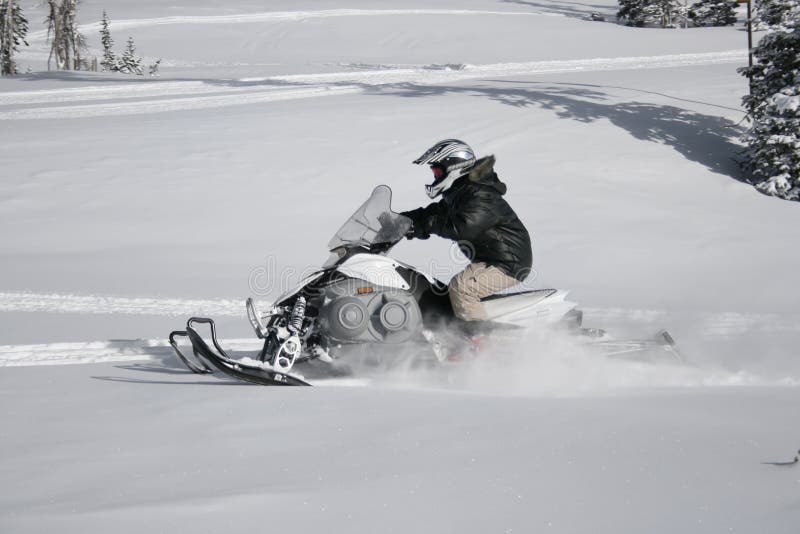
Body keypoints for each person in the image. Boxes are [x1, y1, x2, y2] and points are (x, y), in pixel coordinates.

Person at [401, 139, 533, 335]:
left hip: (509, 263)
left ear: (454, 167)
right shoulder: (461, 192)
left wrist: (424, 225)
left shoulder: (480, 195)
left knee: (463, 288)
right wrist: (401, 220)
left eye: (437, 171)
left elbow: (462, 227)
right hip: (495, 259)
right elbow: (433, 213)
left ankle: (479, 343)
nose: (435, 176)